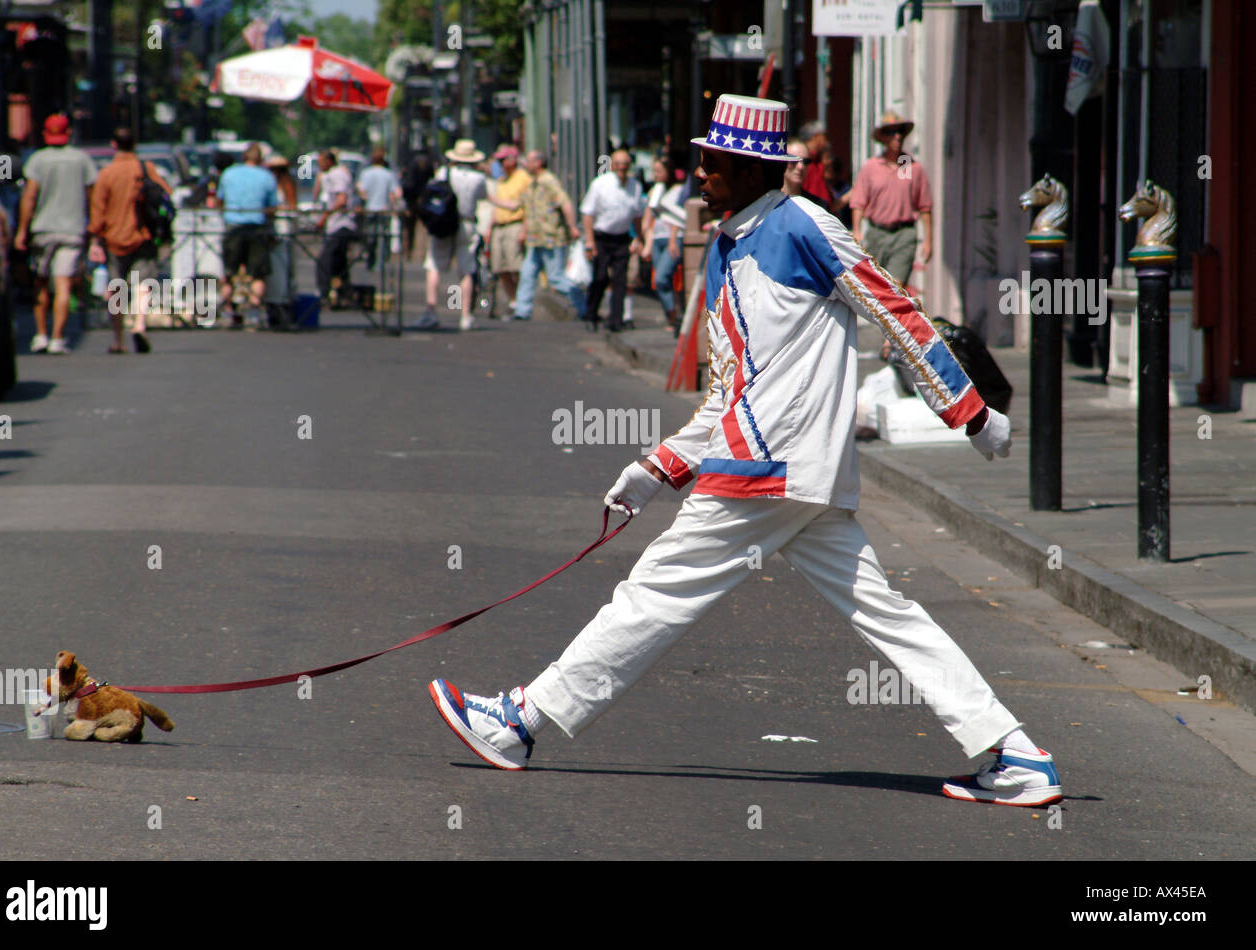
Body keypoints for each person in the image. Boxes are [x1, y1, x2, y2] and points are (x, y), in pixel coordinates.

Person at [427, 93, 1061, 809]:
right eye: (701, 160)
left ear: (756, 168)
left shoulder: (805, 227)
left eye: (714, 162)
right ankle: (1014, 754)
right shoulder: (730, 246)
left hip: (767, 467)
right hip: (788, 468)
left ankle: (522, 722)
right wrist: (656, 466)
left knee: (653, 596)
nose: (699, 173)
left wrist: (970, 412)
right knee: (888, 615)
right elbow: (730, 387)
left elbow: (896, 310)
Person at [14, 114, 98, 355]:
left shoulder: (38, 160)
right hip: (72, 229)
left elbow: (29, 197)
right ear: (68, 132)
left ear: (44, 134)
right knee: (63, 283)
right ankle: (58, 337)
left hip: (43, 229)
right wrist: (93, 227)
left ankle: (41, 334)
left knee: (40, 282)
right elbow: (93, 196)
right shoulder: (81, 160)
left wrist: (22, 231)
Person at [86, 127, 172, 354]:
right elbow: (166, 193)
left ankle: (118, 338)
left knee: (116, 287)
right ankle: (140, 323)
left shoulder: (106, 174)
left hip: (114, 238)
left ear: (114, 145)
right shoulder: (146, 168)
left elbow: (97, 210)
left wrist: (95, 239)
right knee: (144, 283)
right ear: (135, 144)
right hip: (142, 234)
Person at [849, 110, 932, 289]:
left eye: (900, 132)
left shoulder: (911, 166)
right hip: (877, 233)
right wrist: (857, 230)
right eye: (891, 132)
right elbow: (858, 202)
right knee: (876, 289)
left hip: (904, 234)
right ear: (883, 138)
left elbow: (924, 206)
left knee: (896, 287)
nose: (897, 136)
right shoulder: (871, 167)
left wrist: (928, 239)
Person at [413, 139, 489, 332]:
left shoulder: (444, 173)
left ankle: (431, 312)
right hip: (467, 223)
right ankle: (465, 315)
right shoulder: (478, 178)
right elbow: (483, 197)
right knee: (465, 270)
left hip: (443, 222)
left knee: (435, 266)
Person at [510, 149, 584, 321]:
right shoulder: (532, 183)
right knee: (527, 274)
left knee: (556, 277)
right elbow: (520, 206)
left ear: (538, 163)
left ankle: (583, 303)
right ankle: (522, 311)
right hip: (535, 239)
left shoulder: (549, 181)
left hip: (552, 238)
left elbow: (565, 203)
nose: (526, 164)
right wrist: (489, 197)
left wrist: (572, 226)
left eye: (528, 161)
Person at [580, 149, 645, 332]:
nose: (621, 169)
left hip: (622, 238)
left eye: (625, 166)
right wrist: (589, 241)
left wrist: (639, 238)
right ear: (611, 165)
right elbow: (587, 213)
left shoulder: (635, 186)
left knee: (620, 280)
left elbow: (637, 216)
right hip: (601, 237)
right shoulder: (600, 184)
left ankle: (615, 320)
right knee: (600, 277)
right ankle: (591, 313)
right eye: (618, 165)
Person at [217, 142, 278, 328]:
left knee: (229, 272)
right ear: (260, 159)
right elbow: (272, 207)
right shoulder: (267, 176)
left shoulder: (229, 174)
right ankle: (253, 311)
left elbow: (220, 199)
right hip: (257, 227)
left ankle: (227, 311)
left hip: (234, 227)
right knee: (257, 273)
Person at [484, 145, 532, 319]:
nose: (500, 164)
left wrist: (525, 230)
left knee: (515, 266)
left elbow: (526, 206)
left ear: (512, 161)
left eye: (502, 160)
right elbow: (495, 208)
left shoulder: (523, 178)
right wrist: (489, 228)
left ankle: (522, 300)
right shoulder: (501, 180)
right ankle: (513, 300)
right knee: (500, 267)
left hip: (515, 224)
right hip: (499, 225)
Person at [640, 155, 686, 331]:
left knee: (662, 278)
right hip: (657, 238)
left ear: (669, 171)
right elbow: (648, 218)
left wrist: (673, 239)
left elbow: (678, 217)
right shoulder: (655, 190)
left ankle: (674, 315)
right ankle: (674, 316)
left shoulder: (678, 190)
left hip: (672, 238)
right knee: (661, 279)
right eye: (654, 171)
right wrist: (645, 242)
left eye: (659, 171)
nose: (656, 175)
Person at [314, 149, 358, 310]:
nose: (319, 166)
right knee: (339, 264)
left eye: (321, 162)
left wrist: (324, 217)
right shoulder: (331, 175)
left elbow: (341, 199)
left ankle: (323, 295)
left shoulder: (337, 175)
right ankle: (346, 295)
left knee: (324, 262)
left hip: (341, 224)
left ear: (329, 161)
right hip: (339, 225)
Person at [356, 146, 401, 271]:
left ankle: (369, 259)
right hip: (384, 209)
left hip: (370, 209)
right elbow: (397, 193)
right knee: (382, 238)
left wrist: (367, 199)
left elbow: (361, 190)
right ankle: (379, 264)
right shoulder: (389, 174)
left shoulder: (365, 173)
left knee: (370, 236)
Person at [400, 150, 434, 260]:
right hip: (422, 200)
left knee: (409, 227)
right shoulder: (428, 166)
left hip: (412, 201)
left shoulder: (412, 166)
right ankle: (419, 252)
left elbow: (408, 185)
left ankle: (409, 251)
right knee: (421, 228)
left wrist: (408, 201)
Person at [799, 121, 834, 208]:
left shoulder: (819, 160)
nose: (826, 140)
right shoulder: (804, 161)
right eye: (824, 136)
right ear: (816, 137)